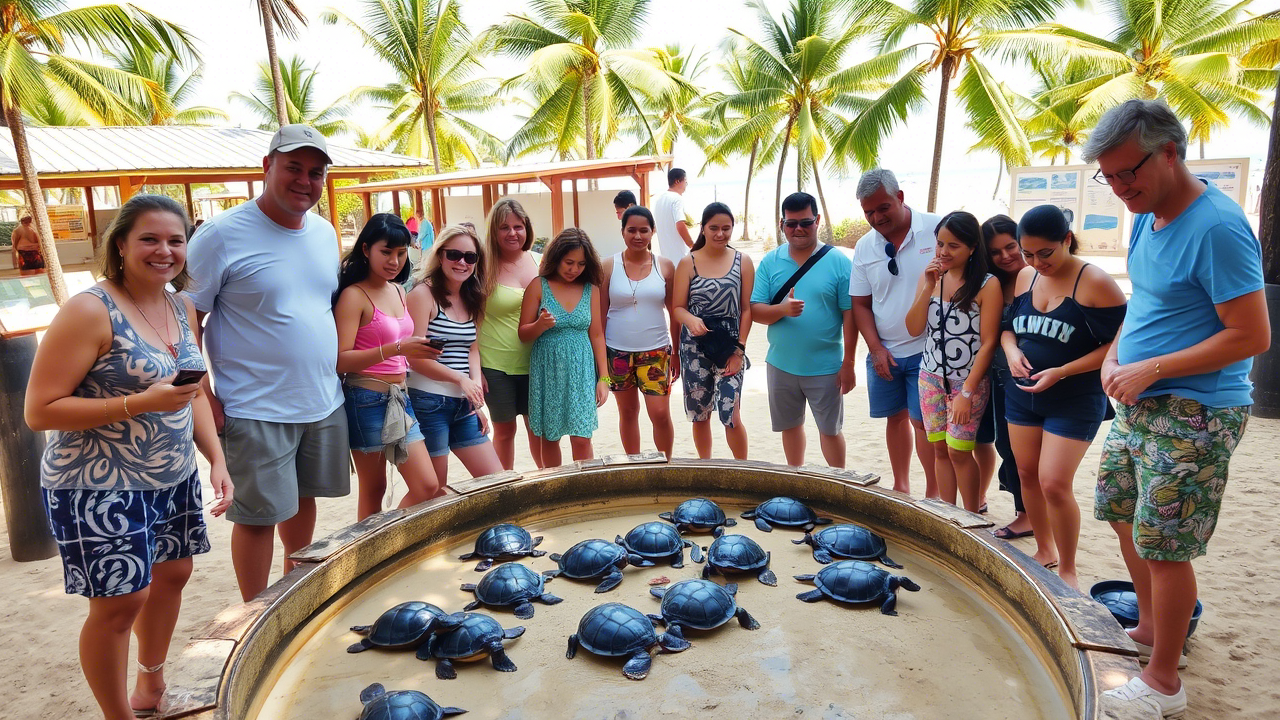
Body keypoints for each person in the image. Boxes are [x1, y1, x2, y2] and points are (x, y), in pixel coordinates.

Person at [1085, 100, 1268, 718]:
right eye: (1107, 177)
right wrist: (1114, 357)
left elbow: (1251, 335)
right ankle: (1158, 630)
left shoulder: (1215, 226)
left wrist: (1153, 368)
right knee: (1118, 511)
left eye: (1127, 173)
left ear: (1169, 152)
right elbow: (1147, 306)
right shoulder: (1144, 215)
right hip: (1136, 399)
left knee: (1166, 544)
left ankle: (1165, 681)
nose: (1119, 188)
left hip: (1196, 411)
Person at [25, 194, 233, 719]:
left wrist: (216, 459)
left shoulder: (180, 307)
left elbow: (194, 391)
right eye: (149, 238)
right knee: (120, 605)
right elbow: (40, 410)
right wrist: (139, 402)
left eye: (175, 240)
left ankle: (151, 691)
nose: (164, 250)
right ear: (120, 244)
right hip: (97, 485)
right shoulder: (89, 309)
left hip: (172, 475)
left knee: (173, 576)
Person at [186, 124, 351, 602]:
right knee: (257, 517)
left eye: (315, 172)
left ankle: (294, 595)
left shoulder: (323, 233)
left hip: (322, 399)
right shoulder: (219, 234)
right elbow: (187, 318)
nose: (305, 180)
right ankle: (252, 615)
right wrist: (204, 393)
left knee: (303, 502)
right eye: (293, 168)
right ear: (267, 167)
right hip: (254, 404)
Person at [1001, 204, 1127, 590]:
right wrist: (1012, 352)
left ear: (1067, 241)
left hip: (1074, 398)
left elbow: (1118, 346)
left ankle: (1069, 568)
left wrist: (1062, 370)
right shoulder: (1024, 277)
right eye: (1028, 254)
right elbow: (1007, 328)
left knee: (1054, 482)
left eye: (1045, 253)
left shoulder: (1096, 282)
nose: (1036, 262)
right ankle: (1044, 550)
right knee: (1026, 475)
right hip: (1022, 395)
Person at [334, 213, 444, 520]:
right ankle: (369, 553)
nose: (394, 260)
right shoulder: (354, 295)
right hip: (365, 399)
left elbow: (404, 345)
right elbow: (340, 359)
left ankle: (379, 540)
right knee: (374, 489)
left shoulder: (398, 290)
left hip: (401, 397)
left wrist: (419, 348)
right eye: (386, 252)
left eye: (400, 252)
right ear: (366, 249)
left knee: (427, 485)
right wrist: (395, 348)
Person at [849, 168, 940, 496]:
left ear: (899, 197)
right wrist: (875, 348)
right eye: (868, 212)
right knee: (896, 419)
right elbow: (860, 304)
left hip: (930, 350)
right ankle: (901, 485)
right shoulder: (864, 247)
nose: (876, 217)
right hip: (884, 351)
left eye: (882, 208)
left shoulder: (936, 229)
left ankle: (934, 491)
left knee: (926, 424)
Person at [750, 192, 856, 467]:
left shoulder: (839, 262)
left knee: (830, 429)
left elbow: (850, 314)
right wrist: (783, 310)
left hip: (825, 366)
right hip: (781, 363)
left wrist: (849, 363)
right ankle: (796, 478)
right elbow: (756, 311)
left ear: (817, 221)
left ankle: (838, 482)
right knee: (790, 426)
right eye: (791, 223)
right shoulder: (770, 262)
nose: (798, 229)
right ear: (782, 224)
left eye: (806, 223)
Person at [905, 212, 1001, 511]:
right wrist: (927, 287)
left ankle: (971, 518)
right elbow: (913, 328)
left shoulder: (987, 285)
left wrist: (967, 393)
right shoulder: (931, 277)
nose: (944, 251)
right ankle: (948, 513)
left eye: (954, 245)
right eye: (940, 243)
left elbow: (988, 343)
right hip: (929, 376)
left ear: (972, 247)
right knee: (939, 450)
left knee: (960, 452)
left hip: (966, 383)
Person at [406, 225, 504, 485]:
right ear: (440, 256)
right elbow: (414, 358)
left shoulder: (473, 297)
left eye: (470, 257)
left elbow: (472, 348)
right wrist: (461, 381)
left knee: (497, 481)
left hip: (463, 406)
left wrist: (474, 396)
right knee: (432, 491)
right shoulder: (422, 295)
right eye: (454, 255)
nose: (462, 262)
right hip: (429, 401)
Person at [519, 228, 609, 465]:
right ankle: (554, 490)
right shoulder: (539, 286)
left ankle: (584, 489)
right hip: (548, 371)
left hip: (581, 372)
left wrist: (604, 379)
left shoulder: (591, 289)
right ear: (556, 257)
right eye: (568, 262)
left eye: (580, 264)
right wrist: (540, 325)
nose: (574, 269)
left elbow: (598, 334)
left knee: (582, 437)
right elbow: (523, 334)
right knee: (550, 437)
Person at [672, 202, 755, 459]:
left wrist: (739, 351)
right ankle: (705, 467)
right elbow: (677, 307)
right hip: (694, 345)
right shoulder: (688, 262)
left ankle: (743, 469)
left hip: (729, 343)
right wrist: (690, 320)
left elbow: (747, 310)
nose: (721, 234)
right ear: (703, 229)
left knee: (730, 411)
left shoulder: (743, 261)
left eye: (726, 228)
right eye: (714, 228)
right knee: (700, 413)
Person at [601, 206, 679, 458]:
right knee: (628, 412)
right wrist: (600, 358)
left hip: (656, 351)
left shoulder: (665, 266)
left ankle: (664, 465)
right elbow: (600, 314)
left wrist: (676, 351)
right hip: (617, 351)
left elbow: (675, 311)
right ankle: (634, 464)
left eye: (644, 230)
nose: (637, 236)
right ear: (622, 231)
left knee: (660, 413)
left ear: (653, 231)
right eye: (631, 230)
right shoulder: (607, 266)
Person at [479, 198, 543, 470]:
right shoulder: (481, 267)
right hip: (496, 365)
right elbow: (472, 320)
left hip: (537, 363)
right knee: (504, 432)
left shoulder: (542, 262)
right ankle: (503, 488)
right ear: (494, 231)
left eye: (518, 226)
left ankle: (549, 484)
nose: (512, 233)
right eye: (504, 227)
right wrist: (475, 371)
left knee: (538, 431)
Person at [980, 215, 1032, 538]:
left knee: (1027, 454)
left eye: (1011, 246)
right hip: (1000, 375)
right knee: (1006, 445)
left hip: (1035, 377)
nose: (1005, 256)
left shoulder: (1041, 276)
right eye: (996, 252)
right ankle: (1023, 512)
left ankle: (1029, 515)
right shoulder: (993, 282)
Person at [652, 167, 692, 260]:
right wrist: (692, 244)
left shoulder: (659, 200)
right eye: (685, 181)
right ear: (677, 181)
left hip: (665, 258)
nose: (686, 184)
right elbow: (680, 224)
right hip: (680, 257)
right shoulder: (677, 199)